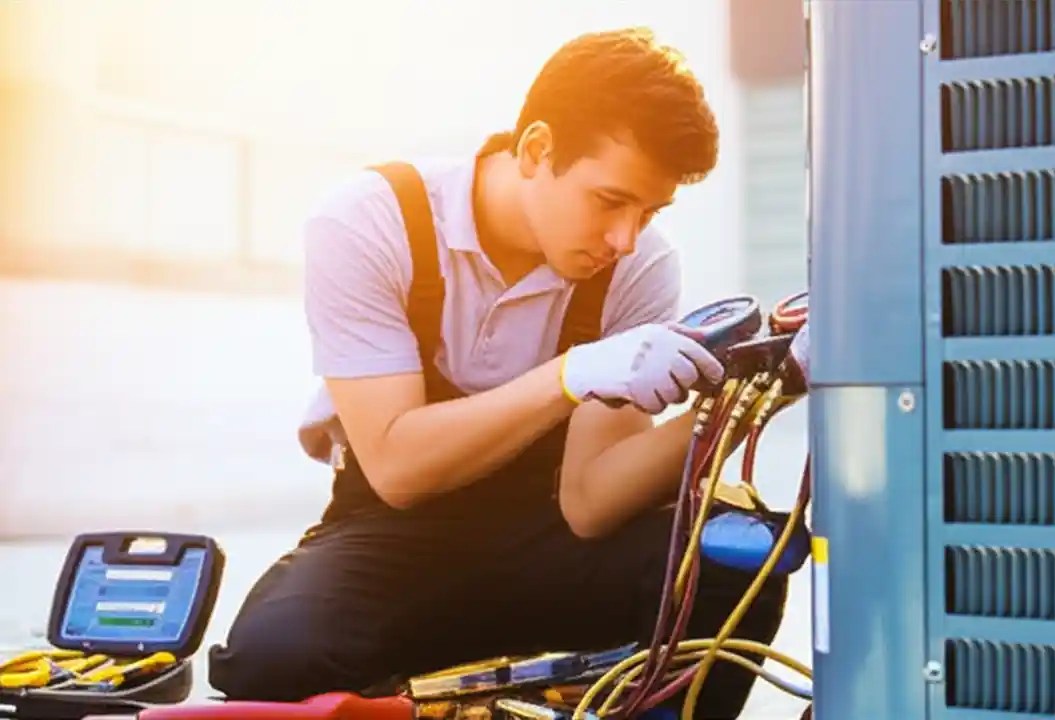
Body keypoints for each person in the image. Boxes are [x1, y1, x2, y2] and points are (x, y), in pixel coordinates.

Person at [206, 27, 787, 718]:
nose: (624, 239)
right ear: (537, 149)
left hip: (551, 536)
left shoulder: (640, 266)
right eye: (609, 201)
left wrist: (752, 392)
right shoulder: (372, 221)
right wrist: (570, 375)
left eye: (649, 211)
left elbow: (590, 502)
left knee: (737, 557)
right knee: (275, 654)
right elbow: (395, 465)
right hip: (397, 532)